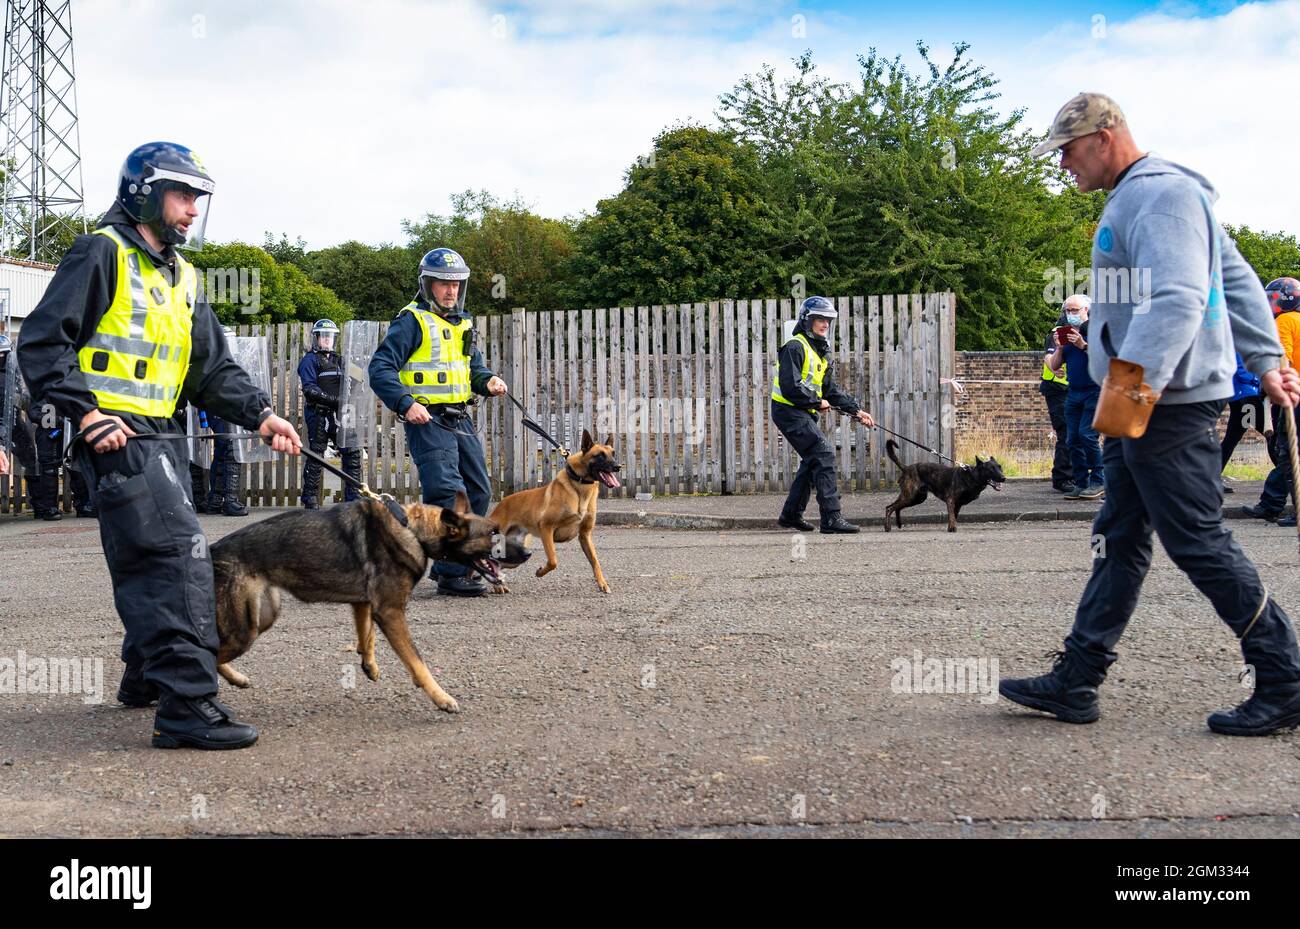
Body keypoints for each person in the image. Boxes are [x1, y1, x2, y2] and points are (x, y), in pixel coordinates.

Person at [1000, 93, 1300, 736]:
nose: (1062, 165)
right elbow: (1240, 278)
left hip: (1164, 402)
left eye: (1067, 150)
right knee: (1120, 536)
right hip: (1150, 400)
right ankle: (1077, 679)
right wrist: (1267, 357)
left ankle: (1284, 677)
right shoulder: (1148, 194)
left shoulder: (1159, 195)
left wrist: (1129, 396)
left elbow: (1180, 299)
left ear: (1104, 137)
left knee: (1196, 538)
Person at [16, 141, 301, 750]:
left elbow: (210, 369)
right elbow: (42, 342)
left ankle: (145, 676)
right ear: (144, 192)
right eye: (182, 194)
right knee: (175, 559)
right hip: (115, 432)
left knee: (150, 555)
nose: (193, 209)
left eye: (198, 197)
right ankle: (187, 708)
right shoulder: (103, 252)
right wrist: (86, 413)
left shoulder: (184, 275)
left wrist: (262, 415)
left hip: (163, 435)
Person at [368, 247, 507, 596]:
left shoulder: (462, 323)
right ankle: (450, 571)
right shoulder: (411, 321)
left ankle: (466, 561)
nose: (451, 291)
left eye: (456, 284)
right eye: (443, 284)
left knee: (478, 490)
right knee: (447, 493)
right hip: (427, 420)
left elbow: (470, 366)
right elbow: (380, 368)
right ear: (427, 284)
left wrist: (487, 380)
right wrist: (405, 403)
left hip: (460, 417)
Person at [770, 296, 876, 534]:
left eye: (828, 320)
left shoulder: (822, 352)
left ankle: (790, 516)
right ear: (807, 321)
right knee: (824, 454)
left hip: (804, 412)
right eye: (820, 319)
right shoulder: (794, 347)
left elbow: (831, 390)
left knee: (812, 460)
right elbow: (790, 386)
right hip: (787, 411)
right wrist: (816, 402)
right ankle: (831, 518)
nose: (825, 324)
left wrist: (856, 410)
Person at [1242, 277, 1300, 528]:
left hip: (1291, 395)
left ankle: (1280, 506)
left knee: (1287, 452)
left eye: (1274, 297)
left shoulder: (1285, 321)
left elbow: (1281, 357)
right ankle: (1271, 503)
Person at [299, 318, 361, 509]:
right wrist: (332, 400)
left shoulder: (340, 359)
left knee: (352, 453)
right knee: (317, 454)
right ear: (316, 338)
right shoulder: (309, 360)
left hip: (342, 414)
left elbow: (359, 378)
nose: (327, 340)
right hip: (320, 413)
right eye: (323, 336)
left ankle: (354, 498)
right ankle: (309, 498)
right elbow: (309, 389)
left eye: (330, 337)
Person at [1047, 293, 1104, 500]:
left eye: (1074, 310)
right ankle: (1081, 482)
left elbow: (1105, 359)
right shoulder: (1066, 336)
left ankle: (1099, 480)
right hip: (1074, 392)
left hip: (1094, 390)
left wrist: (1083, 345)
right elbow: (1054, 366)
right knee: (1072, 439)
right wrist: (1061, 348)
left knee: (1087, 435)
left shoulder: (1096, 332)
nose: (1070, 314)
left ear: (1086, 311)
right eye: (1067, 310)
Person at [1219, 352, 1270, 496]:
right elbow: (1240, 368)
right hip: (1248, 396)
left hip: (1241, 396)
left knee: (1231, 439)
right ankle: (1285, 477)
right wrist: (1258, 381)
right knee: (1272, 436)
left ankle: (1210, 479)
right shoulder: (1239, 338)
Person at [1039, 310, 1073, 492]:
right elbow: (1048, 355)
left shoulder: (1077, 332)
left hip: (1068, 388)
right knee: (1065, 432)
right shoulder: (1058, 332)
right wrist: (1053, 368)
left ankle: (1072, 475)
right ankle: (1062, 478)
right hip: (1057, 388)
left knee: (1074, 432)